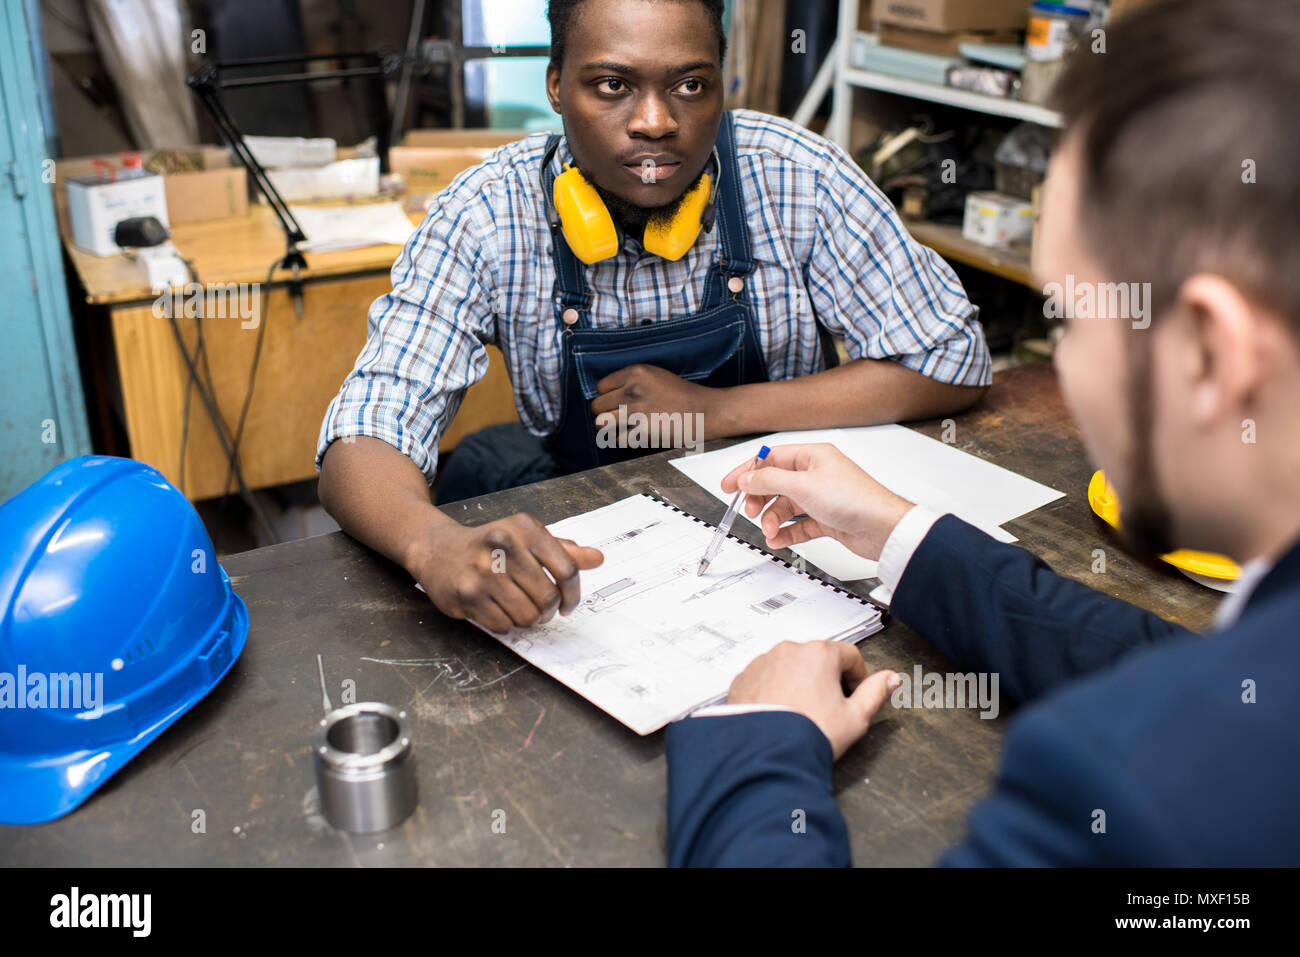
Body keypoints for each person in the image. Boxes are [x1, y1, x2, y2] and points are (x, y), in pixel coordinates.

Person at [665, 0, 1300, 866]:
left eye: (1075, 317)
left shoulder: (1132, 796)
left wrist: (759, 743)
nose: (1065, 367)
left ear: (1212, 355)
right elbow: (1162, 658)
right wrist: (898, 532)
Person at [315, 0, 990, 635]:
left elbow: (952, 360)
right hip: (602, 559)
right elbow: (365, 434)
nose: (655, 122)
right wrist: (431, 543)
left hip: (788, 536)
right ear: (555, 87)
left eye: (691, 86)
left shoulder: (796, 177)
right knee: (487, 467)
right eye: (612, 85)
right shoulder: (487, 213)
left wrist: (715, 409)